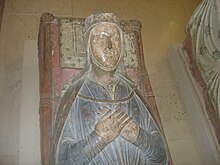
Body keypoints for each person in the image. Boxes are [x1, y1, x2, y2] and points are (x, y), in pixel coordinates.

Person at [51, 13, 168, 165]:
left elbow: (162, 157)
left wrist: (138, 136)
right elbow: (61, 161)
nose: (110, 46)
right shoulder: (75, 95)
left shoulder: (133, 93)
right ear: (88, 46)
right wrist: (98, 138)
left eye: (115, 37)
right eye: (100, 37)